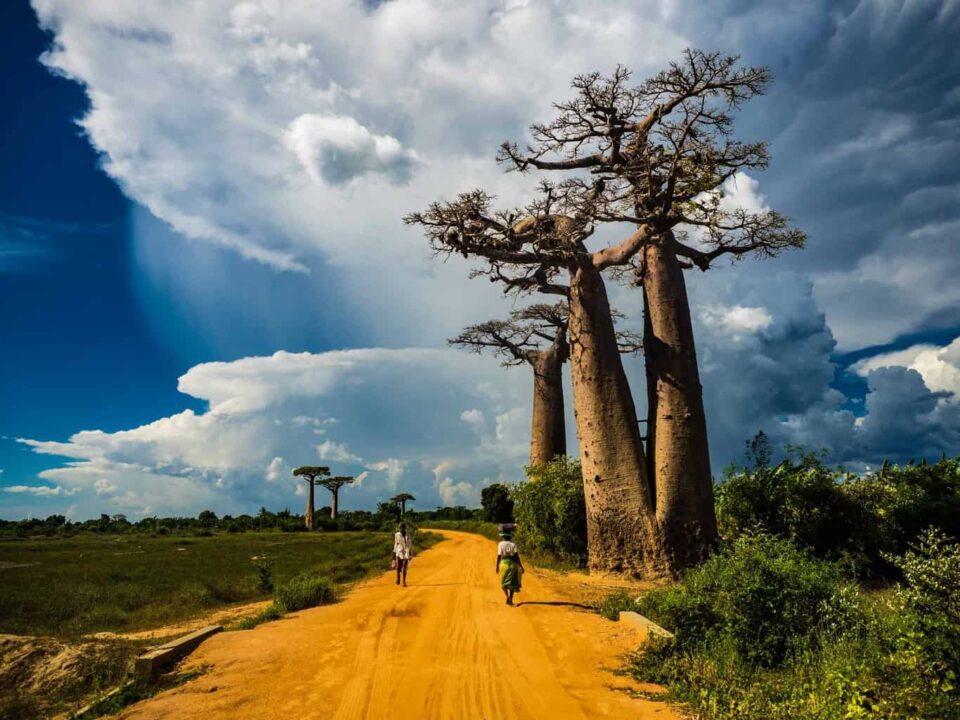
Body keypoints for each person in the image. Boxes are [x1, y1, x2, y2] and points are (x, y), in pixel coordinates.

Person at [496, 528, 524, 605]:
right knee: (512, 583)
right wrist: (521, 566)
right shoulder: (513, 544)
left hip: (504, 564)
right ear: (510, 537)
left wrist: (497, 566)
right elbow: (516, 556)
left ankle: (507, 597)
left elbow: (499, 556)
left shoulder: (500, 544)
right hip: (513, 564)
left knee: (503, 583)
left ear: (503, 537)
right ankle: (511, 599)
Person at [393, 522, 412, 587]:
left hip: (406, 552)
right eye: (400, 528)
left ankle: (404, 581)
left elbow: (410, 544)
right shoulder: (397, 535)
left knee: (404, 567)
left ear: (405, 528)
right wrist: (394, 555)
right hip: (399, 552)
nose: (401, 529)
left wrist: (410, 554)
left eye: (402, 528)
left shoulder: (408, 535)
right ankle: (398, 577)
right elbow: (396, 544)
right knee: (398, 567)